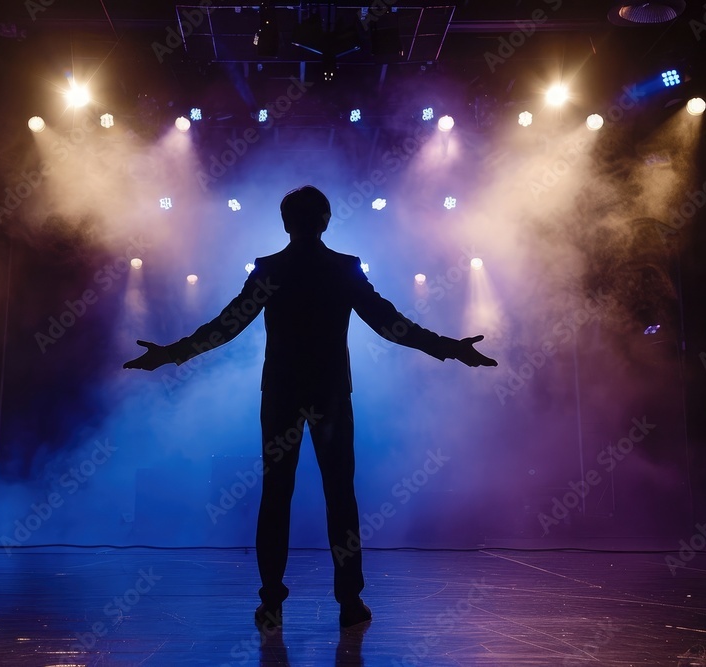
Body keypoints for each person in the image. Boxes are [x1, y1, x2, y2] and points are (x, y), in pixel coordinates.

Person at [124, 185, 496, 630]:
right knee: (340, 496)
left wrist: (170, 354)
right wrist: (450, 348)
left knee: (276, 495)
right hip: (330, 394)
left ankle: (271, 602)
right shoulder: (343, 268)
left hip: (282, 393)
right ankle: (350, 601)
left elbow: (226, 326)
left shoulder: (271, 269)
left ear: (286, 223)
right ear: (326, 220)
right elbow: (391, 325)